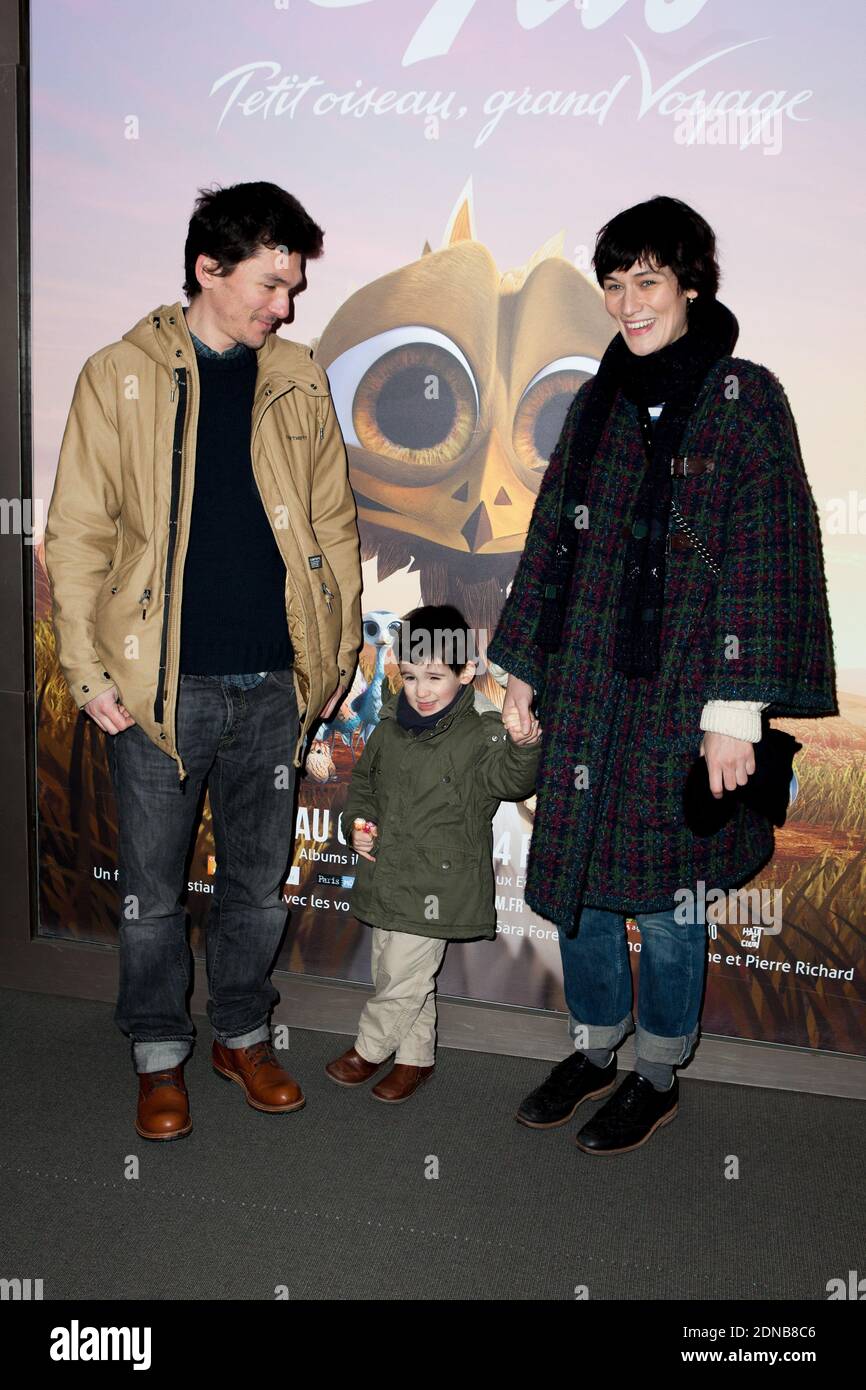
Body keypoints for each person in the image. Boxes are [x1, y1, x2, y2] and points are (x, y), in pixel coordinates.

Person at [487, 195, 836, 1155]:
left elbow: (771, 553)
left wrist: (736, 708)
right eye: (613, 284)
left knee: (671, 896)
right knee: (581, 887)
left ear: (689, 283)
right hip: (589, 683)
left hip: (689, 692)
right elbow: (552, 540)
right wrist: (521, 667)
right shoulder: (595, 401)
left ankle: (656, 1071)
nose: (629, 303)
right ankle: (595, 1048)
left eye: (647, 281)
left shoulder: (744, 395)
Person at [44, 181, 362, 1140]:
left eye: (295, 283)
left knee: (258, 888)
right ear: (208, 270)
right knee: (150, 894)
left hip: (273, 685)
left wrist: (334, 654)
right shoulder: (118, 374)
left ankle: (240, 1033)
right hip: (157, 690)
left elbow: (334, 525)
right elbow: (77, 535)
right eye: (273, 283)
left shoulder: (301, 378)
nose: (288, 303)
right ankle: (157, 1052)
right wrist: (89, 670)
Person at [327, 605, 541, 1102]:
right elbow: (364, 786)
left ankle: (370, 1047)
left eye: (435, 677)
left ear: (467, 672)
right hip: (388, 872)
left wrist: (524, 745)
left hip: (440, 886)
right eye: (410, 675)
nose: (421, 691)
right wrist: (355, 825)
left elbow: (511, 781)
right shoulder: (390, 728)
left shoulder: (482, 731)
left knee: (403, 973)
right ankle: (415, 1059)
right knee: (397, 970)